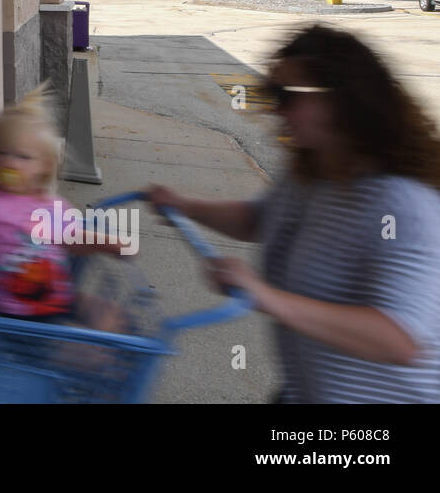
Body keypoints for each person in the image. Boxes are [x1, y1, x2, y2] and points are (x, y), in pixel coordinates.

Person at [148, 24, 440, 403]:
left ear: (343, 100)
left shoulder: (399, 203)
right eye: (272, 94)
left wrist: (265, 296)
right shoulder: (312, 169)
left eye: (288, 96)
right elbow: (261, 219)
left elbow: (399, 339)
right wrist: (184, 204)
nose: (276, 108)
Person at [0, 88, 125, 322]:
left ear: (46, 165)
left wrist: (106, 244)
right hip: (16, 312)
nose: (9, 162)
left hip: (57, 298)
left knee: (111, 317)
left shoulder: (54, 206)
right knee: (81, 350)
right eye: (0, 152)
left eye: (23, 157)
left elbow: (72, 239)